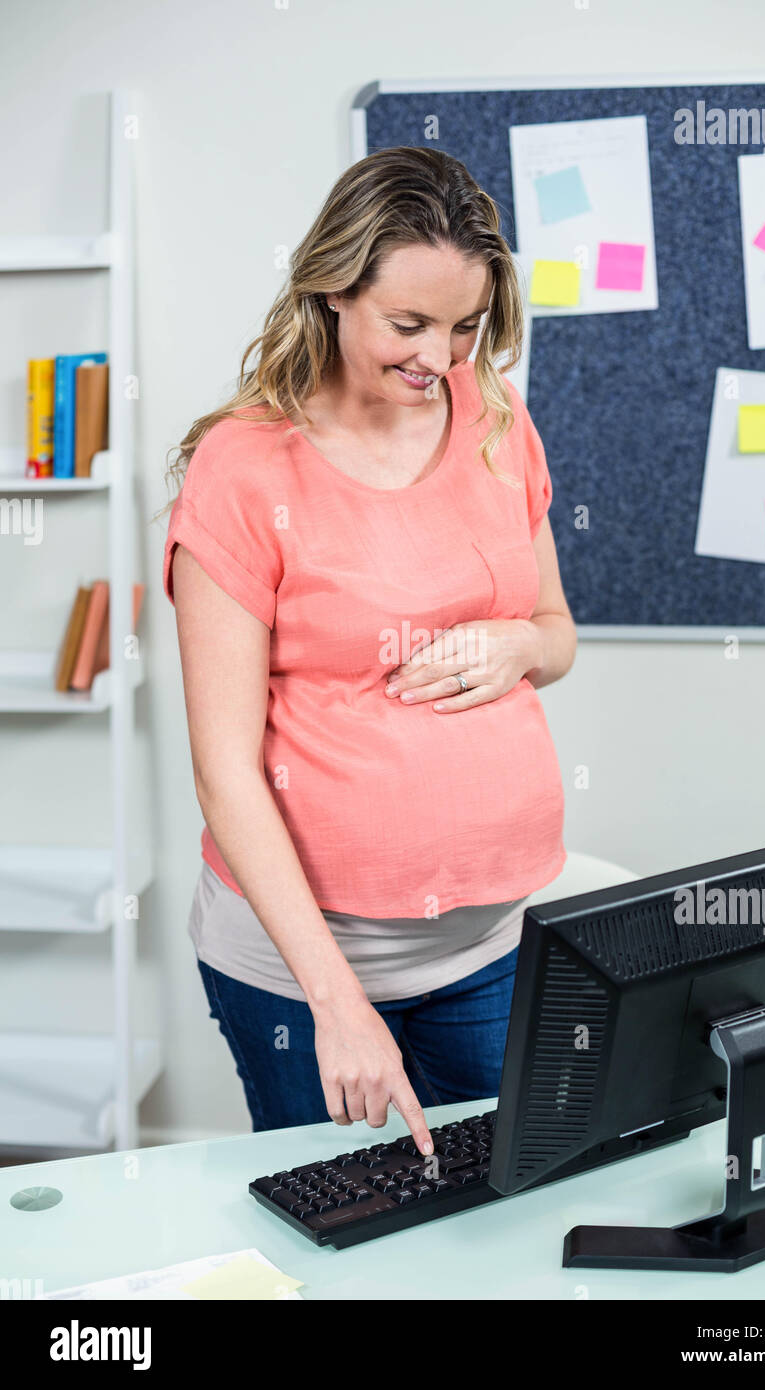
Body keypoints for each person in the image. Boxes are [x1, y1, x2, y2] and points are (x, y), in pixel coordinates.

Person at [160, 146, 576, 1156]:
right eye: (409, 325)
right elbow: (226, 774)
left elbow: (558, 635)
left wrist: (518, 642)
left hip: (484, 946)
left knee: (496, 1219)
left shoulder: (494, 418)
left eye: (466, 327)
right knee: (344, 1228)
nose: (440, 359)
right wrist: (336, 1002)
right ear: (333, 290)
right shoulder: (242, 466)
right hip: (306, 971)